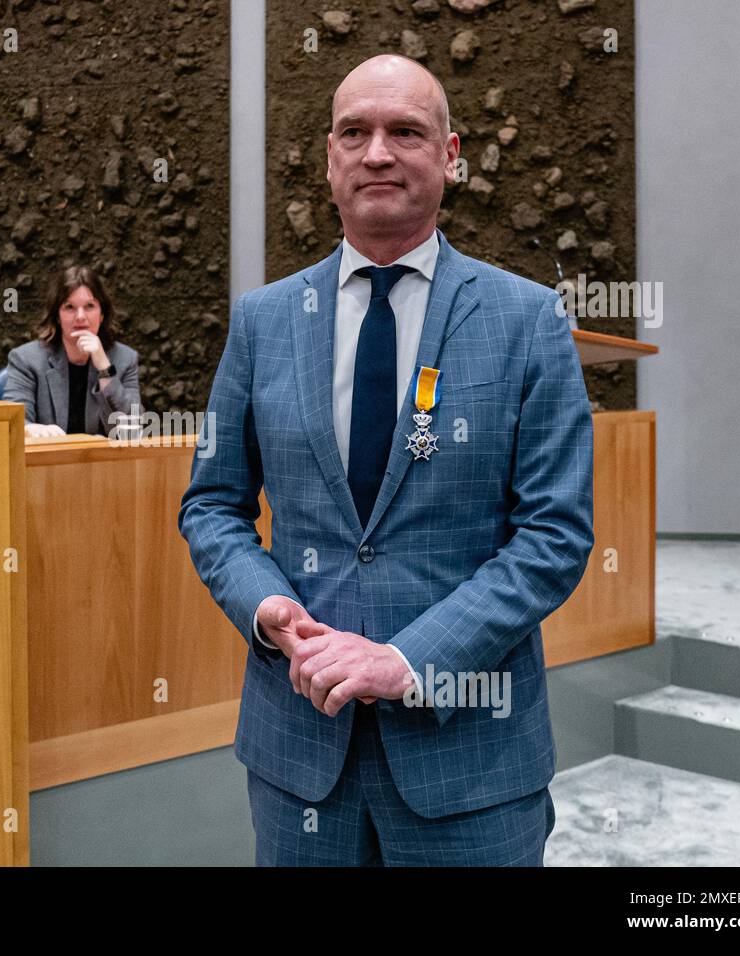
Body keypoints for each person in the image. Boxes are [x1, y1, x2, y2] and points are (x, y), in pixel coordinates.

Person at [178, 55, 594, 866]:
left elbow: (554, 536)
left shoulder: (528, 321)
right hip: (300, 758)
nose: (377, 153)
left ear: (450, 155)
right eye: (354, 133)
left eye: (405, 131)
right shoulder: (262, 321)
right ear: (328, 158)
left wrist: (408, 661)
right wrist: (267, 608)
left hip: (469, 765)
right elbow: (213, 505)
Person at [4, 265, 140, 438]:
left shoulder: (125, 359)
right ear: (57, 316)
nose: (80, 316)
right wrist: (31, 430)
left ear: (102, 315)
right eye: (70, 307)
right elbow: (14, 422)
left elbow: (133, 428)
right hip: (48, 454)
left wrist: (104, 368)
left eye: (89, 306)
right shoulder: (26, 360)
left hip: (99, 456)